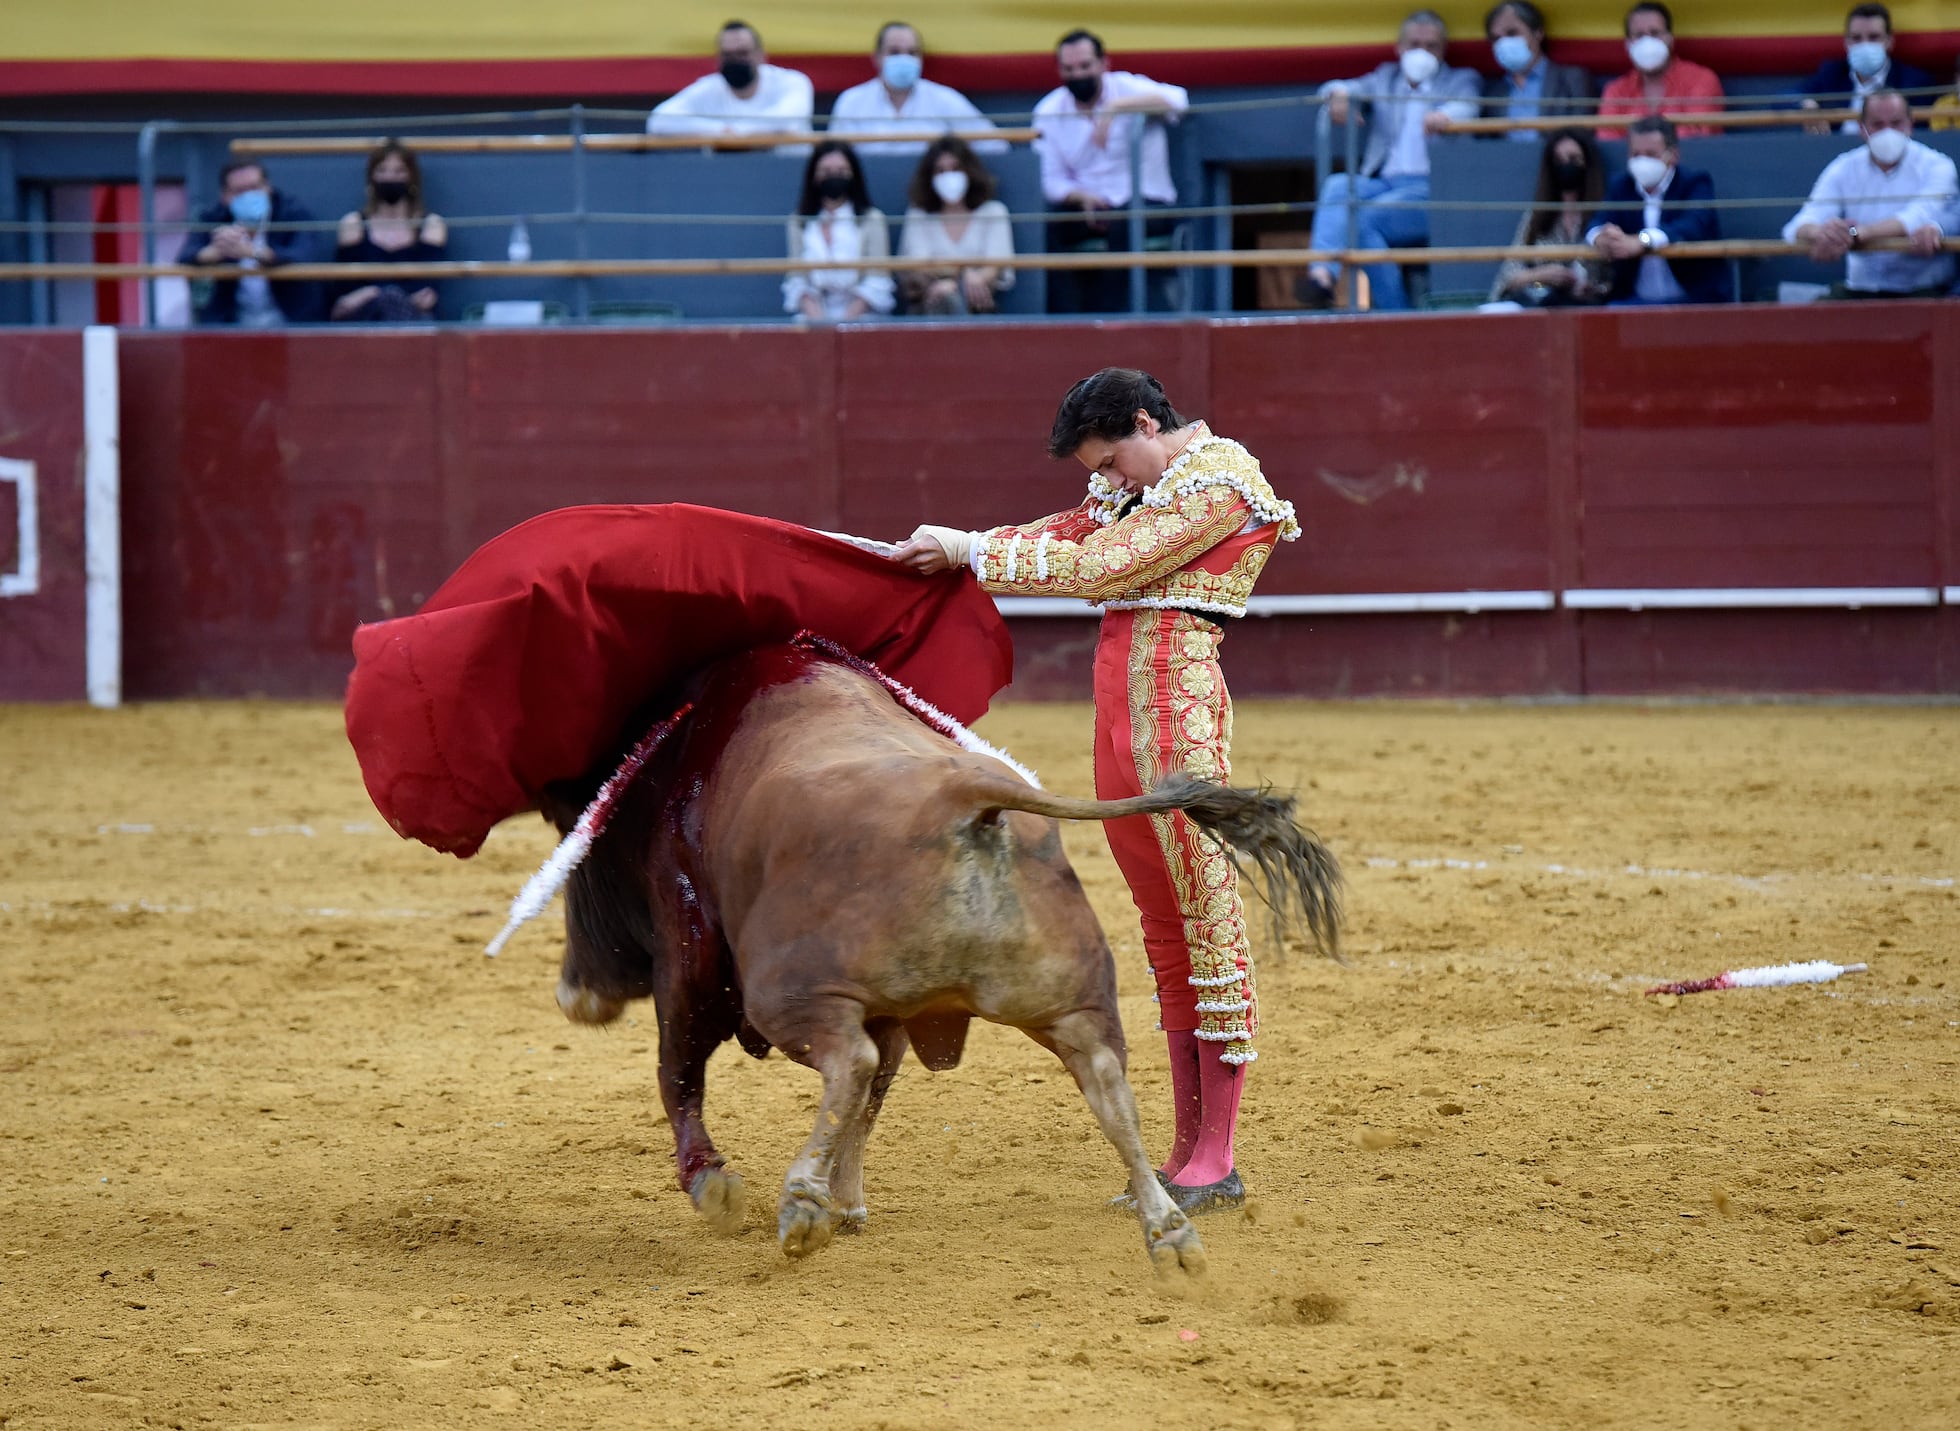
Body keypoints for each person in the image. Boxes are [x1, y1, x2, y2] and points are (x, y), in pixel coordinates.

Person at [891, 368, 1302, 1217]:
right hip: (1120, 707)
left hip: (1179, 713)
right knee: (1162, 925)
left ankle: (1217, 1151)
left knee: (1205, 912)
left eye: (1113, 461)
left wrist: (972, 548)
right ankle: (1187, 1148)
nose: (1108, 481)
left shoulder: (1225, 484)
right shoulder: (1138, 487)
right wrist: (954, 549)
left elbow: (1102, 564)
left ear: (1149, 423)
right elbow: (1066, 530)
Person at [1301, 10, 1480, 311]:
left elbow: (1470, 104)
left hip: (1432, 189)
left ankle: (1395, 313)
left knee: (1364, 221)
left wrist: (1447, 116)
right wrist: (1339, 96)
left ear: (1443, 49)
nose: (1421, 52)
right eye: (1414, 44)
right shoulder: (1386, 78)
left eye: (1431, 45)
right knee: (1337, 185)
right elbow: (1333, 87)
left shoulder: (1460, 79)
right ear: (1399, 48)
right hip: (1384, 183)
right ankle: (1321, 276)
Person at [1033, 28, 1189, 314]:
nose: (1078, 75)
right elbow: (1051, 180)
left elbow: (1179, 100)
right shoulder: (1048, 110)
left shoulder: (1127, 88)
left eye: (1085, 66)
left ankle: (1113, 322)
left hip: (1147, 202)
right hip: (1087, 204)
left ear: (1104, 64)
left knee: (1122, 224)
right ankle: (1061, 324)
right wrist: (1080, 197)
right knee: (1043, 226)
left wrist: (1115, 108)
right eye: (1069, 69)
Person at [1783, 89, 1957, 299]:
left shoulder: (1938, 165)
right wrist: (1821, 233)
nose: (1887, 132)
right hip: (1860, 289)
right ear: (1862, 129)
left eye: (1895, 123)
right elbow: (1800, 224)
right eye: (1877, 125)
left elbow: (1917, 215)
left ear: (1910, 125)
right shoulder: (1843, 167)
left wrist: (1857, 233)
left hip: (1924, 290)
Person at [1587, 114, 1730, 304]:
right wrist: (1601, 238)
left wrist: (1642, 241)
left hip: (1693, 299)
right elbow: (1596, 222)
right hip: (1634, 300)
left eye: (1651, 154)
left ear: (1674, 155)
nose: (1642, 161)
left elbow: (1693, 224)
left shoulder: (1695, 182)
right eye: (1635, 154)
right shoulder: (1621, 185)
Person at [178, 160, 323, 326]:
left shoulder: (293, 212)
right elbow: (184, 258)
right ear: (225, 196)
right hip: (232, 324)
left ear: (268, 187)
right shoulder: (213, 217)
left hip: (291, 319)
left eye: (255, 188)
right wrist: (214, 251)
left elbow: (303, 254)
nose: (249, 196)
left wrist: (254, 252)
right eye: (239, 191)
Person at [827, 21, 1005, 155]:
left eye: (912, 53)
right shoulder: (851, 102)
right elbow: (834, 159)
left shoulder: (944, 99)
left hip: (930, 200)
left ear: (920, 59)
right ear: (877, 57)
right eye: (894, 52)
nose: (904, 59)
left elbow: (995, 146)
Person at [1488, 128, 1610, 305]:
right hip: (1540, 301)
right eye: (1558, 160)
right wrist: (1540, 276)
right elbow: (1509, 275)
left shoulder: (1604, 214)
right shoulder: (1538, 215)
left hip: (1588, 307)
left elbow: (1613, 279)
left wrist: (1591, 288)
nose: (1565, 165)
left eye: (1573, 159)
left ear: (1587, 163)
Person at [330, 141, 447, 323]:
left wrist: (382, 293)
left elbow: (427, 293)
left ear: (411, 177)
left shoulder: (430, 225)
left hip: (413, 317)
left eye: (399, 171)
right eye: (382, 170)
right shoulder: (353, 223)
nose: (390, 177)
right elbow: (346, 293)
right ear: (372, 177)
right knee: (385, 302)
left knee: (394, 302)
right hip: (364, 316)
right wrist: (377, 296)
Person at [898, 137, 1015, 314]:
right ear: (930, 177)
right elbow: (918, 265)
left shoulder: (994, 212)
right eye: (940, 171)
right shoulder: (919, 214)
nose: (949, 177)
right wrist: (960, 277)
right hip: (928, 303)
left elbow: (994, 267)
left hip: (979, 307)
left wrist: (954, 283)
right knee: (943, 300)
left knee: (953, 300)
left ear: (969, 171)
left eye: (955, 169)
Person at [782, 141, 895, 322]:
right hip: (814, 316)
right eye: (826, 171)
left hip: (863, 314)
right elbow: (797, 279)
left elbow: (878, 278)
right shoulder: (798, 221)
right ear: (813, 175)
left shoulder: (872, 219)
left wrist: (845, 322)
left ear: (853, 174)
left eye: (841, 171)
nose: (833, 176)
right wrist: (819, 320)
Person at [646, 20, 814, 139]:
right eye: (728, 55)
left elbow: (786, 123)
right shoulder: (710, 87)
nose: (735, 61)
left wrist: (734, 135)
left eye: (742, 53)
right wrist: (722, 131)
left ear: (761, 56)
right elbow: (659, 120)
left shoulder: (792, 82)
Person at [1799, 5, 1934, 135]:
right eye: (1857, 38)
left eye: (1873, 37)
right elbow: (1786, 96)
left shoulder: (1914, 82)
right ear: (1846, 42)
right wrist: (1807, 103)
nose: (1865, 44)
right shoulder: (1832, 74)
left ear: (1889, 41)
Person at [1598, 3, 1724, 140]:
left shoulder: (1701, 79)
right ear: (1628, 44)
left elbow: (1695, 137)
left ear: (1670, 39)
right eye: (1639, 35)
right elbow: (1608, 141)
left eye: (1655, 33)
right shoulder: (1616, 91)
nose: (1647, 42)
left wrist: (1642, 147)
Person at [1481, 1, 1597, 141]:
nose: (1504, 43)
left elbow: (1583, 134)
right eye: (1496, 38)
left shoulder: (1572, 79)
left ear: (1538, 33)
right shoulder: (1492, 91)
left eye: (1512, 33)